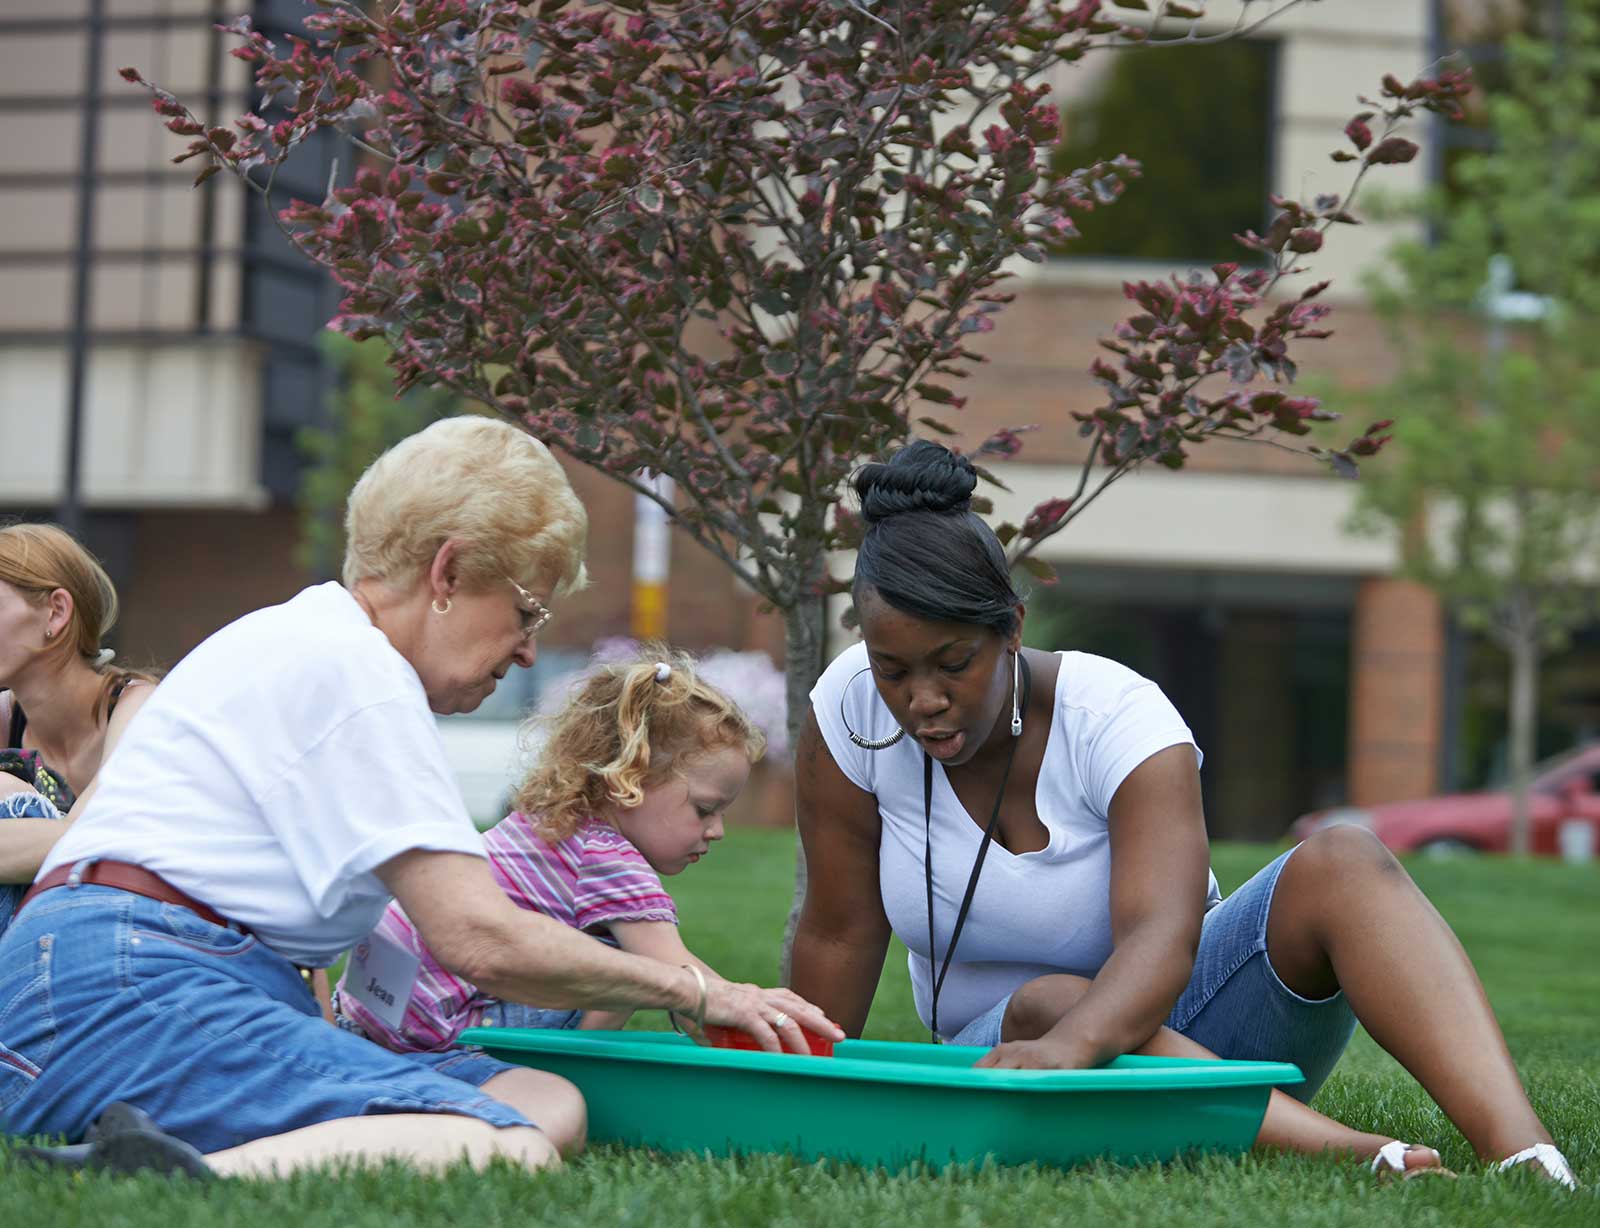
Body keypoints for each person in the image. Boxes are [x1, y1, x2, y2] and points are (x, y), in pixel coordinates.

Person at [0, 417, 838, 1181]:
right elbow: (477, 937)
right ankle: (165, 1174)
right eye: (526, 612)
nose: (527, 651)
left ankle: (157, 1151)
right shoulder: (360, 674)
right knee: (505, 1145)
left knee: (548, 1106)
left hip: (74, 995)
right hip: (137, 992)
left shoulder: (298, 638)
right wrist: (698, 992)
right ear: (448, 572)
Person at [789, 439, 1575, 1188]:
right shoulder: (849, 710)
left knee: (1345, 860)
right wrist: (797, 1091)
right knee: (1048, 1001)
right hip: (1003, 1057)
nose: (922, 699)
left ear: (1012, 628)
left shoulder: (1120, 718)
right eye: (893, 671)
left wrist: (1078, 1044)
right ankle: (1357, 1154)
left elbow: (1161, 939)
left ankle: (1527, 1156)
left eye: (953, 663)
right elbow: (838, 929)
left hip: (1187, 1030)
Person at [337, 645, 764, 1052]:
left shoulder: (549, 823)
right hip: (438, 1026)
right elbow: (681, 979)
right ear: (628, 780)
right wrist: (759, 1018)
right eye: (705, 809)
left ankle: (582, 1055)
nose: (718, 831)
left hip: (366, 1006)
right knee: (634, 966)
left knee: (622, 959)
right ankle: (579, 1063)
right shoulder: (609, 859)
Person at [0, 523, 157, 937]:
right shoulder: (5, 719)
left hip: (135, 935)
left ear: (56, 612)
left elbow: (90, 839)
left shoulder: (137, 708)